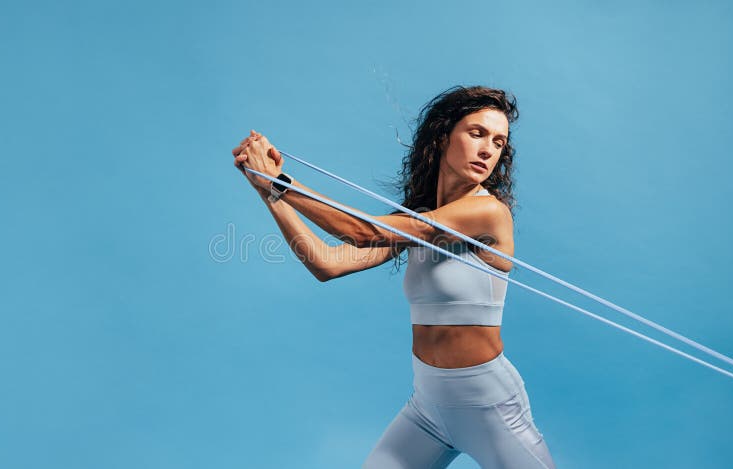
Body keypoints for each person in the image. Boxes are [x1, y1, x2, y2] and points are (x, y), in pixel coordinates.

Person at [232, 85, 556, 469]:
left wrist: (280, 180)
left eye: (499, 142)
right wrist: (268, 191)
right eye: (477, 133)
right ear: (443, 135)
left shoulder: (487, 214)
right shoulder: (417, 217)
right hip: (428, 408)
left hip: (488, 406)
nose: (488, 149)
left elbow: (363, 231)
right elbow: (326, 263)